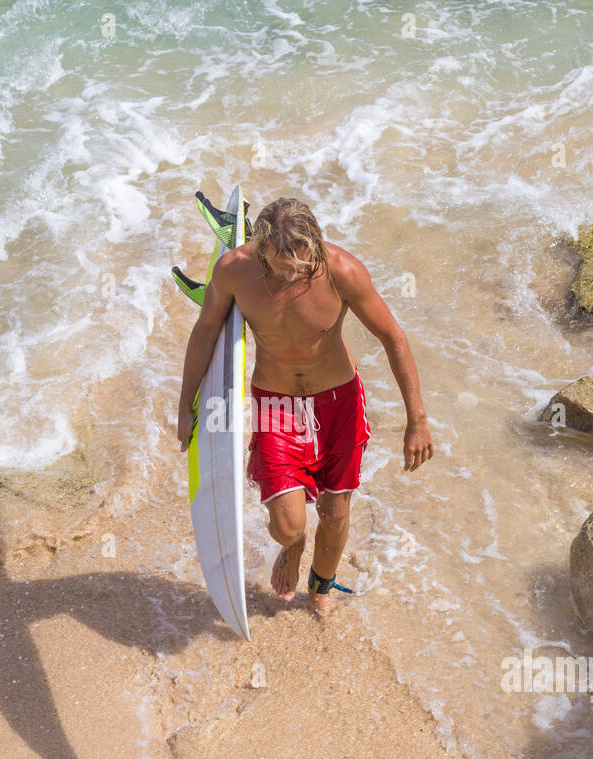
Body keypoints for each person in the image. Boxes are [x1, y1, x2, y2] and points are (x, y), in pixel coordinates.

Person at [177, 197, 433, 616]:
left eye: (302, 264)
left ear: (314, 242)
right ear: (261, 251)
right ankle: (293, 547)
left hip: (339, 402)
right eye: (281, 267)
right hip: (276, 404)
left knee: (335, 509)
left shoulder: (341, 271)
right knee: (287, 524)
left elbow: (393, 337)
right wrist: (186, 403)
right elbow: (206, 331)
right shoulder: (235, 273)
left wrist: (417, 419)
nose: (293, 275)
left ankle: (321, 587)